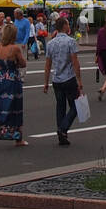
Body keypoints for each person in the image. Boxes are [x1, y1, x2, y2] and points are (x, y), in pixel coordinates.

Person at [0, 22, 27, 150]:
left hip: (0, 79)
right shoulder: (15, 48)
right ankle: (18, 138)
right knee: (15, 109)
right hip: (12, 80)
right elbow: (23, 63)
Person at [43, 16, 83, 147]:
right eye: (67, 24)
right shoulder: (70, 41)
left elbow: (48, 65)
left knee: (60, 106)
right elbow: (75, 62)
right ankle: (63, 129)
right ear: (64, 27)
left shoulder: (50, 43)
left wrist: (46, 83)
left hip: (56, 80)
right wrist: (79, 80)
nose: (69, 26)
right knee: (76, 106)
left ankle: (62, 135)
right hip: (69, 78)